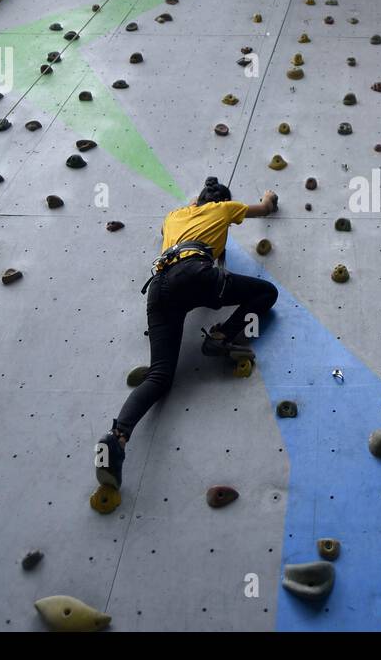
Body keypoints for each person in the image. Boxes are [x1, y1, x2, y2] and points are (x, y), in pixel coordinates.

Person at [95, 177, 278, 489]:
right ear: (221, 201)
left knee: (159, 375)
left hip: (159, 286)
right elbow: (263, 209)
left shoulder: (174, 216)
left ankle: (118, 437)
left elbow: (173, 233)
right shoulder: (225, 208)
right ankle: (221, 335)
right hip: (196, 275)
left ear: (197, 200)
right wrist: (269, 195)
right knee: (265, 294)